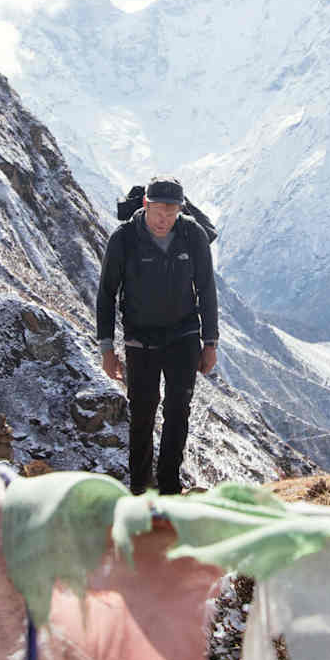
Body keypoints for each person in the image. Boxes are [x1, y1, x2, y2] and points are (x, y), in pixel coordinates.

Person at [96, 176, 219, 494]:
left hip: (184, 335)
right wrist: (107, 348)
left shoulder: (192, 235)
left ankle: (169, 488)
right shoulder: (123, 239)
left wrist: (210, 343)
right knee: (142, 412)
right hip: (141, 339)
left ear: (180, 209)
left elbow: (206, 289)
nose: (164, 220)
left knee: (179, 409)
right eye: (158, 212)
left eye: (171, 212)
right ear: (145, 205)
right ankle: (139, 488)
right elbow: (106, 293)